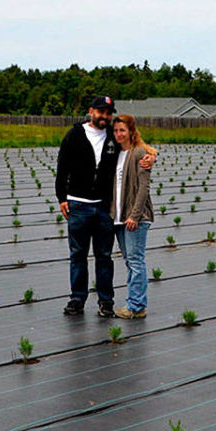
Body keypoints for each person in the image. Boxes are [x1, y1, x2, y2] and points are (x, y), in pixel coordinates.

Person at [56, 96, 154, 317]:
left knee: (103, 256)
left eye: (108, 113)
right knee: (78, 255)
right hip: (78, 204)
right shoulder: (74, 135)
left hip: (103, 207)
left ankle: (105, 301)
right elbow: (62, 167)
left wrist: (151, 157)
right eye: (101, 112)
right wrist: (62, 197)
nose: (105, 117)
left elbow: (137, 146)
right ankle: (77, 298)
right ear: (91, 111)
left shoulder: (113, 136)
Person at [110, 114, 154, 319]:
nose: (119, 134)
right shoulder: (116, 153)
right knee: (129, 261)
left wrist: (135, 216)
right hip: (119, 217)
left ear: (131, 132)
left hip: (135, 217)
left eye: (122, 130)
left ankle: (136, 307)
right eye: (116, 130)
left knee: (136, 261)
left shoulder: (139, 153)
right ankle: (134, 303)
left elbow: (143, 188)